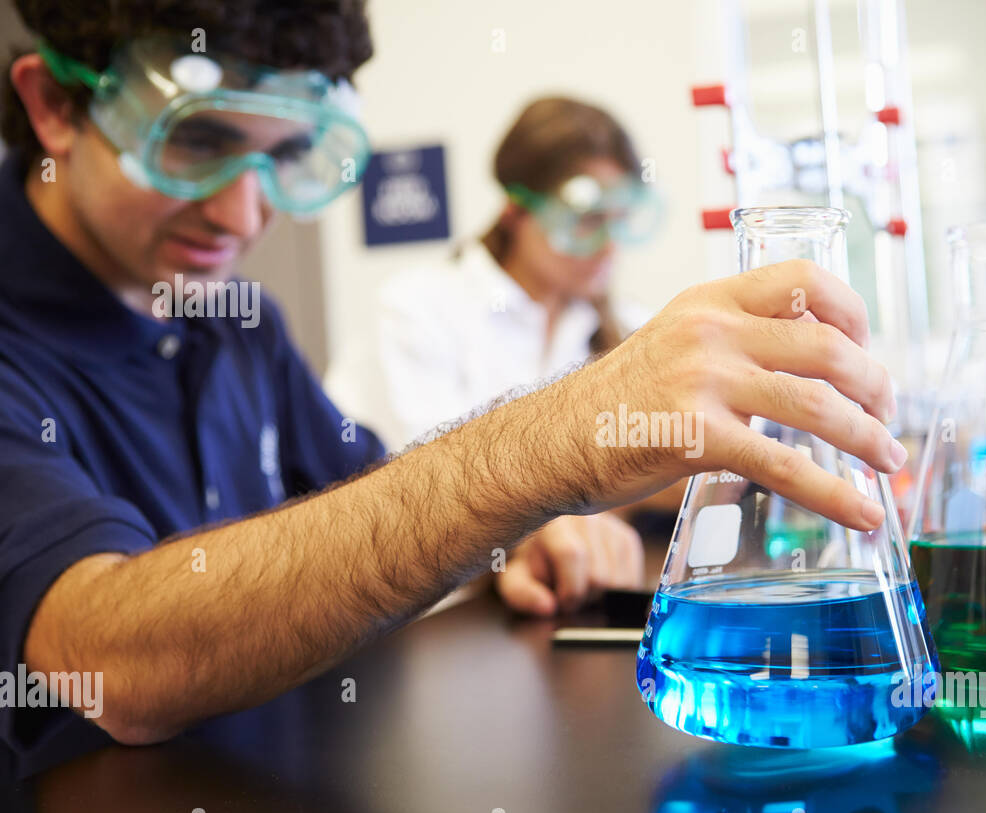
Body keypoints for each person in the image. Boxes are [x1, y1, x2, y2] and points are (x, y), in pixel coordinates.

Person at [0, 0, 905, 759]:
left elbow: (376, 515)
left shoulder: (238, 326)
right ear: (53, 107)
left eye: (284, 157)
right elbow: (112, 665)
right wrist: (558, 444)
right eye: (198, 141)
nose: (243, 212)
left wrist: (506, 547)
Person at [326, 96, 657, 449]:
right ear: (516, 211)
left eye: (619, 219)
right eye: (586, 218)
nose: (609, 246)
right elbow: (431, 482)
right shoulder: (415, 311)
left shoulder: (629, 327)